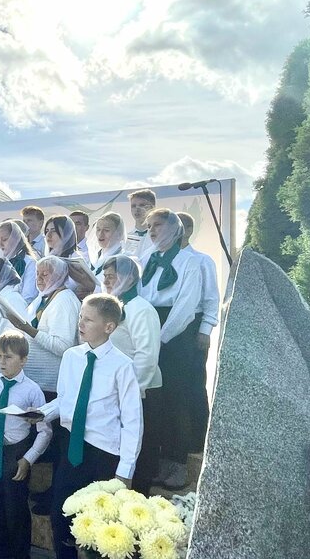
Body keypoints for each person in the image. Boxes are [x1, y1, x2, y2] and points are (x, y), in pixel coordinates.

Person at [34, 294, 143, 559]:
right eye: (80, 317)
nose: (80, 323)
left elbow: (132, 421)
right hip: (71, 447)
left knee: (96, 525)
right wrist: (41, 413)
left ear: (109, 327)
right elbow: (66, 400)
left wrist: (125, 469)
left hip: (102, 454)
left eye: (88, 319)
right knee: (62, 516)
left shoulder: (123, 366)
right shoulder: (72, 356)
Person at [138, 208, 203, 490]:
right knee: (153, 399)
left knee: (176, 397)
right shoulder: (147, 259)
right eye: (149, 226)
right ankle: (154, 461)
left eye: (158, 225)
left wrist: (160, 338)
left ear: (175, 229)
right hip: (150, 325)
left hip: (174, 333)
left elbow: (186, 307)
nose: (152, 230)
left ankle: (177, 462)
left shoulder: (190, 262)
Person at [0, 331, 52, 559]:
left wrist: (28, 459)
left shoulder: (31, 390)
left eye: (8, 357)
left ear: (23, 360)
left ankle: (19, 554)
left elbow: (44, 431)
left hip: (15, 454)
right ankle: (1, 550)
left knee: (15, 509)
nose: (2, 362)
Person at [102, 255, 162, 494]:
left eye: (112, 276)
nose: (106, 281)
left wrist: (130, 392)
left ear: (128, 277)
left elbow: (146, 357)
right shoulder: (109, 307)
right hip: (117, 392)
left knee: (142, 452)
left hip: (142, 392)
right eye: (104, 276)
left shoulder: (141, 310)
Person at [4, 256, 80, 395]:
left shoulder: (64, 301)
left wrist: (29, 330)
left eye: (45, 274)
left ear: (58, 276)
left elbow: (63, 346)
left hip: (50, 387)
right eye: (37, 273)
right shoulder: (41, 298)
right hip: (35, 384)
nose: (39, 278)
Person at [176, 212, 219, 454]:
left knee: (193, 383)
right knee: (174, 387)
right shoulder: (160, 259)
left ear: (190, 230)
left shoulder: (202, 260)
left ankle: (198, 442)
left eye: (183, 227)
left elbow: (211, 297)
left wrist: (205, 330)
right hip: (171, 323)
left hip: (194, 324)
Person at [43, 215, 97, 300]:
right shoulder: (47, 259)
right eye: (46, 231)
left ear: (65, 232)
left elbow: (77, 285)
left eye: (54, 231)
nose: (48, 235)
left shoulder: (75, 258)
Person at [0, 220, 39, 303]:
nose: (0, 244)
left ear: (16, 238)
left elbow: (29, 296)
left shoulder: (29, 262)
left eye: (4, 239)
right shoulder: (2, 263)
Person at [90, 212, 125, 292]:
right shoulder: (95, 256)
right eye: (98, 229)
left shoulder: (122, 259)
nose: (100, 234)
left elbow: (117, 287)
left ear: (119, 234)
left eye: (106, 230)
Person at [124, 188, 156, 260]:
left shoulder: (159, 237)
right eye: (133, 206)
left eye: (142, 205)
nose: (137, 209)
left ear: (152, 208)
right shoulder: (126, 238)